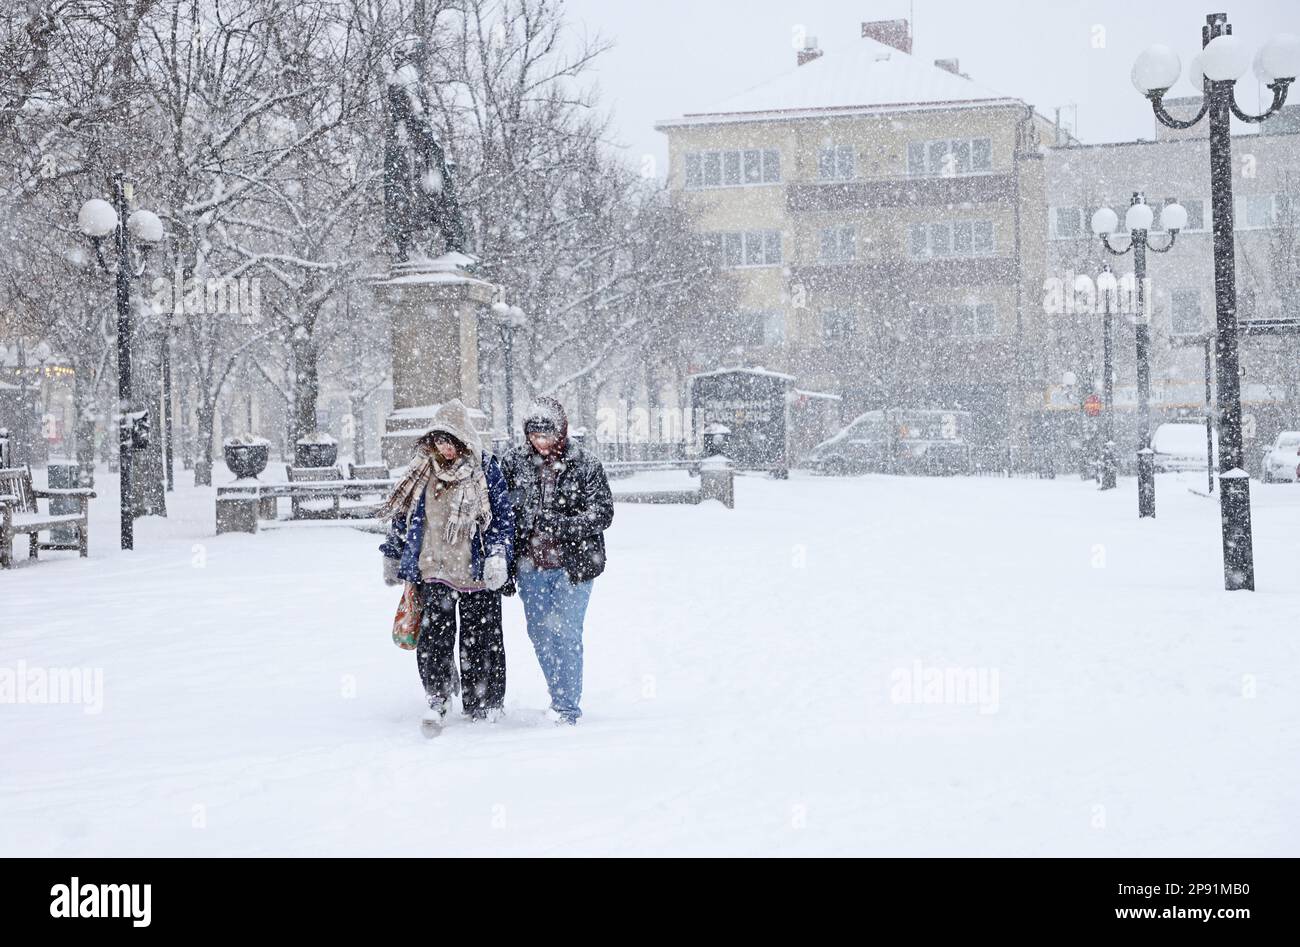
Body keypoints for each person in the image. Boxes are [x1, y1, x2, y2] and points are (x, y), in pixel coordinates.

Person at [380, 399, 514, 736]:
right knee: (434, 638)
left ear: (463, 440)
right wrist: (394, 554)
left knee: (481, 638)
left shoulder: (485, 470)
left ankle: (483, 700)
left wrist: (498, 554)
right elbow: (403, 518)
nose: (444, 448)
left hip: (474, 569)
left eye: (450, 441)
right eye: (439, 441)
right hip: (433, 567)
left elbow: (501, 519)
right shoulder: (422, 472)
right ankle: (438, 694)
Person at [501, 397, 613, 725]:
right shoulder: (514, 462)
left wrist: (562, 526)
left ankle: (567, 706)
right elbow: (502, 515)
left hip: (574, 565)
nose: (540, 442)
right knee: (539, 632)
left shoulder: (585, 463)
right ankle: (558, 690)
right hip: (530, 565)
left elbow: (603, 512)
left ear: (561, 430)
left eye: (546, 435)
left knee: (566, 631)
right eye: (533, 435)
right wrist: (506, 564)